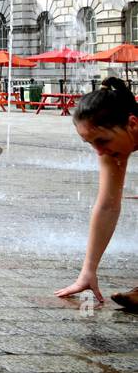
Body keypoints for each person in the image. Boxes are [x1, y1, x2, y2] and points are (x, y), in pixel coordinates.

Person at [56, 78, 138, 311]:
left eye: (102, 140)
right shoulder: (111, 151)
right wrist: (88, 271)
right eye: (90, 143)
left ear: (132, 123)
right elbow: (107, 207)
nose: (98, 151)